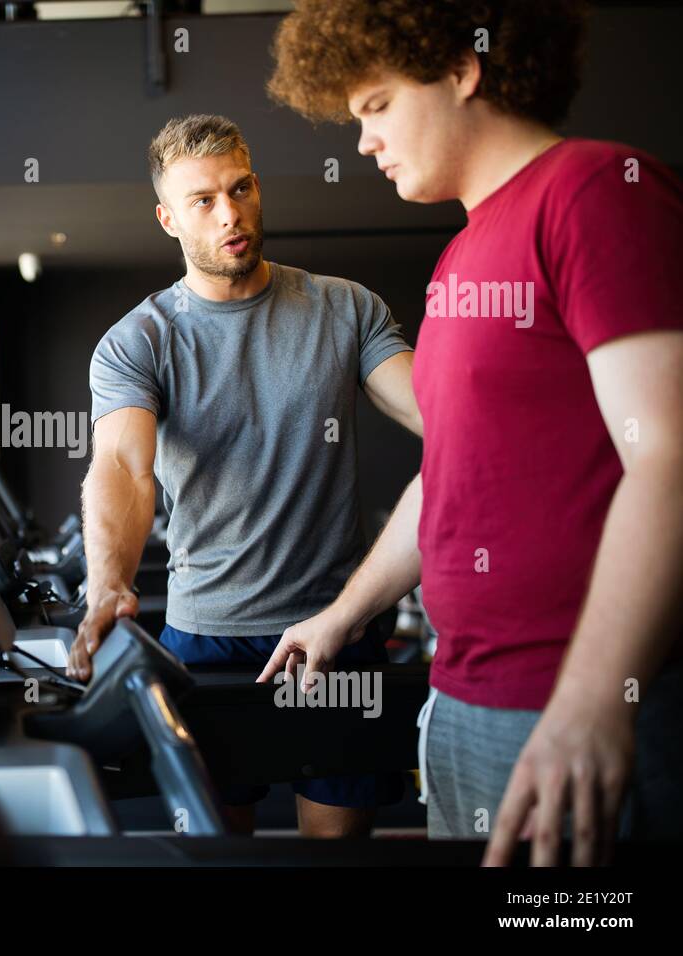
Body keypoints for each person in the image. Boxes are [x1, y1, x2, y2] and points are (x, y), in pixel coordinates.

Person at [263, 0, 683, 865]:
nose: (362, 142)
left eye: (376, 106)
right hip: (464, 699)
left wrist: (595, 700)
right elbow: (446, 478)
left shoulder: (596, 190)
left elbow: (671, 457)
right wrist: (340, 616)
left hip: (570, 707)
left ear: (463, 67)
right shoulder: (461, 252)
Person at [67, 113, 423, 836]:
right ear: (168, 218)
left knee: (337, 853)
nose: (229, 213)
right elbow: (125, 468)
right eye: (203, 200)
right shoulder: (140, 341)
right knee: (219, 850)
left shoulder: (345, 308)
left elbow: (442, 418)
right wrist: (108, 583)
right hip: (209, 642)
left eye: (241, 188)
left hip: (334, 630)